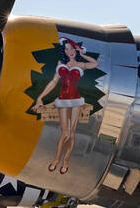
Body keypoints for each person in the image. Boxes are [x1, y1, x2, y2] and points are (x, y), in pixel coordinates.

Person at [33, 37, 99, 174]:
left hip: (76, 100)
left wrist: (82, 55)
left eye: (72, 48)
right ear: (64, 51)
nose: (70, 51)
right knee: (64, 133)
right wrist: (40, 97)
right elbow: (53, 82)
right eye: (67, 48)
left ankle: (66, 160)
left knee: (71, 133)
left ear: (76, 49)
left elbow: (95, 63)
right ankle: (57, 159)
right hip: (63, 100)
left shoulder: (81, 65)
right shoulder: (60, 63)